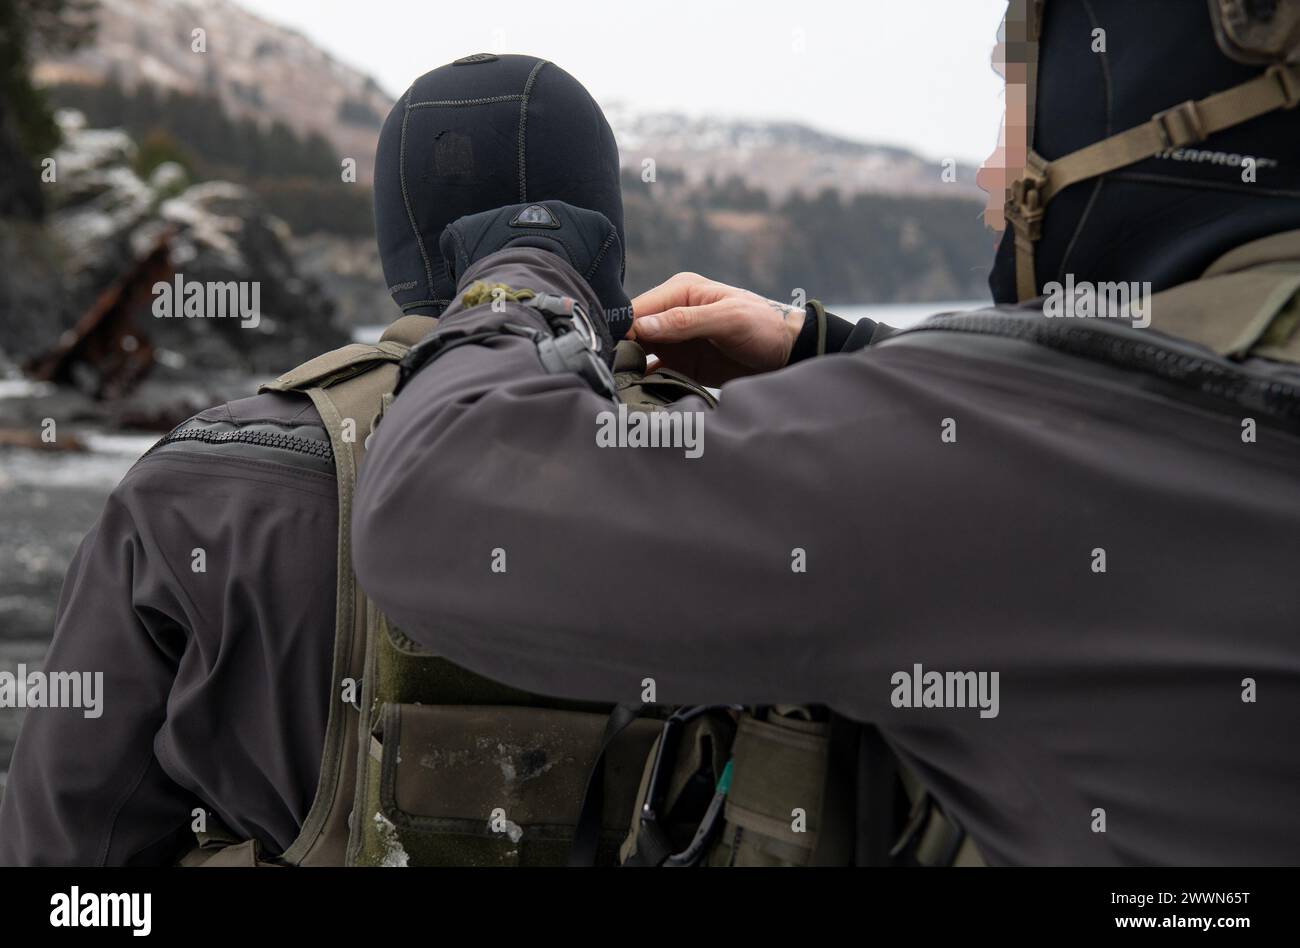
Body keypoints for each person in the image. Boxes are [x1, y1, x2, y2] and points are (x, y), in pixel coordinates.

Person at [349, 0, 1300, 865]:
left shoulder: (1019, 451)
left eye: (1021, 111)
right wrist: (830, 350)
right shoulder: (1103, 438)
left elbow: (435, 507)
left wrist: (522, 274)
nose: (990, 171)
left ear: (1147, 111)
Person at [0, 54, 643, 865]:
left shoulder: (194, 488)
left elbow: (63, 861)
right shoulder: (732, 463)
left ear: (399, 249)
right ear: (604, 235)